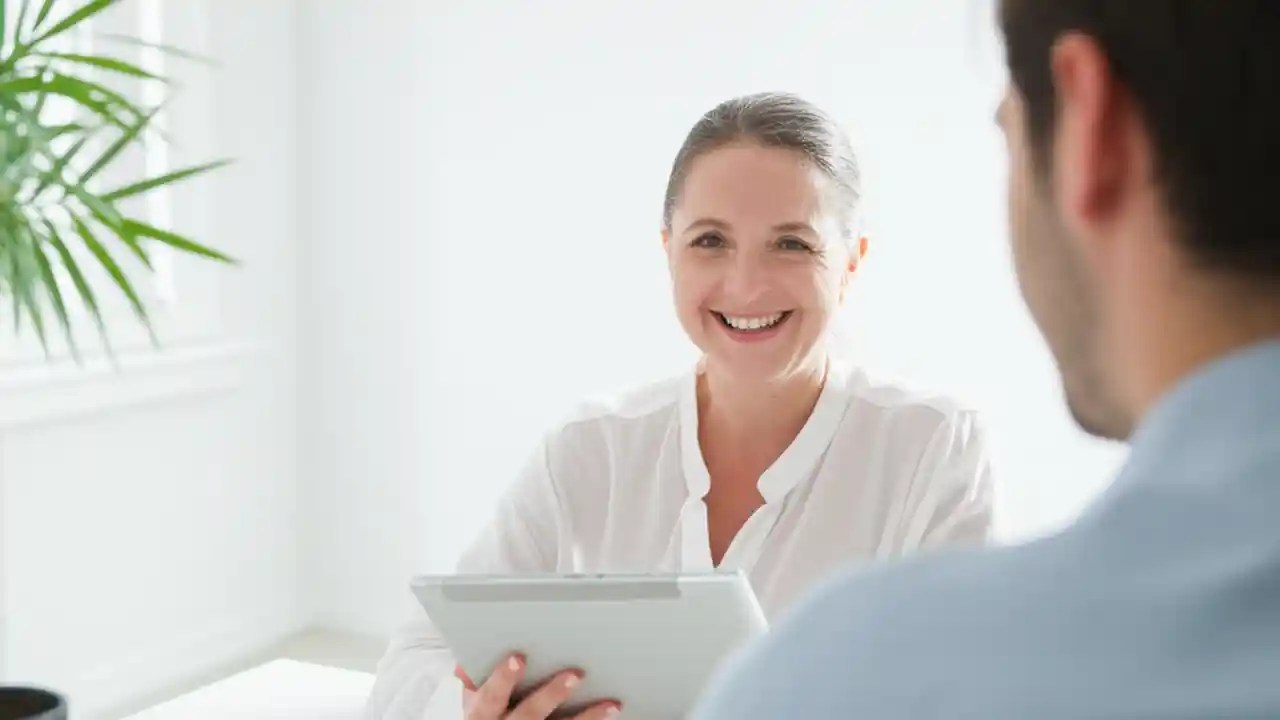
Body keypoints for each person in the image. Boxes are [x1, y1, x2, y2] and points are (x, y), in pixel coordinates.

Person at [693, 2, 1280, 718]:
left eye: (1009, 129)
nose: (747, 283)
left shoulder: (845, 681)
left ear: (1090, 128)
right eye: (709, 240)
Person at [364, 92, 996, 720]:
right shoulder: (594, 448)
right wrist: (479, 710)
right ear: (668, 250)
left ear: (851, 263)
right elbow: (413, 663)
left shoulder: (932, 448)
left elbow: (974, 694)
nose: (745, 284)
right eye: (710, 240)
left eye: (792, 244)